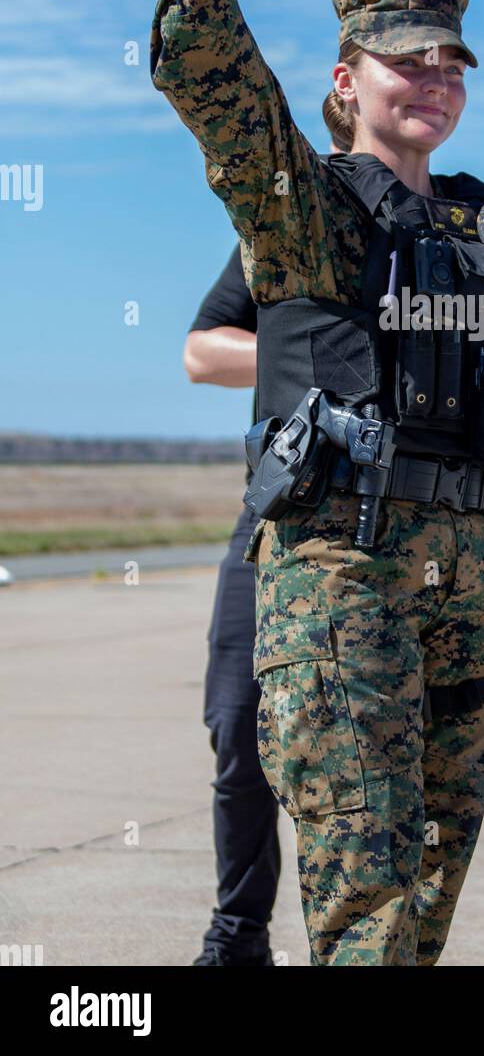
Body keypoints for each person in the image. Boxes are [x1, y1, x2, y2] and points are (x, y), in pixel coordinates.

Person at [84, 0, 484, 967]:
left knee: (419, 911)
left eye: (448, 61)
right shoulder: (307, 208)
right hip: (341, 576)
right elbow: (222, 91)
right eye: (405, 58)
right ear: (344, 81)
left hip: (477, 585)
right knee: (364, 911)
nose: (432, 77)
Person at [184, 247, 278, 967]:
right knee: (237, 724)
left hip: (410, 528)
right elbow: (202, 353)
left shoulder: (458, 221)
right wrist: (317, 345)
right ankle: (239, 937)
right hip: (277, 515)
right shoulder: (283, 216)